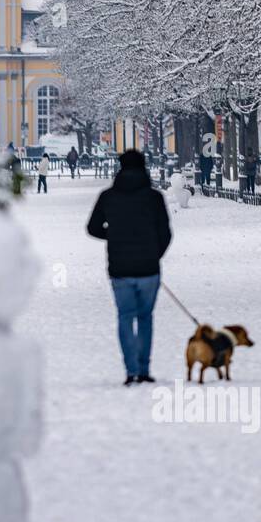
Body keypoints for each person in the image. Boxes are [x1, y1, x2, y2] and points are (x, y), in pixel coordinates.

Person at [86, 149, 173, 384]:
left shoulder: (108, 196)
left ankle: (131, 370)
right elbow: (165, 232)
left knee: (125, 317)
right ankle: (144, 369)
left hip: (120, 268)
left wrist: (114, 235)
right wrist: (155, 254)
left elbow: (93, 228)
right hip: (148, 268)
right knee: (145, 317)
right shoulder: (154, 197)